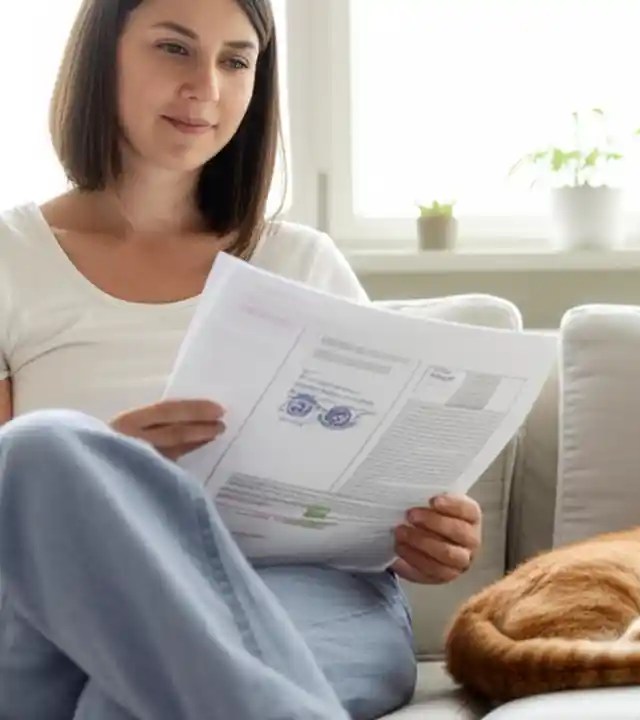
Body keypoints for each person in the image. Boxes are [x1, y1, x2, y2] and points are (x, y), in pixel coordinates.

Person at [0, 0, 484, 717]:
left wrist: (430, 532)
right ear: (103, 57)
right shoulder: (13, 256)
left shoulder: (298, 260)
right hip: (75, 594)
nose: (208, 87)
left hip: (300, 591)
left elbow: (381, 473)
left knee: (119, 702)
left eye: (235, 60)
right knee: (39, 448)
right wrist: (115, 472)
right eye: (174, 49)